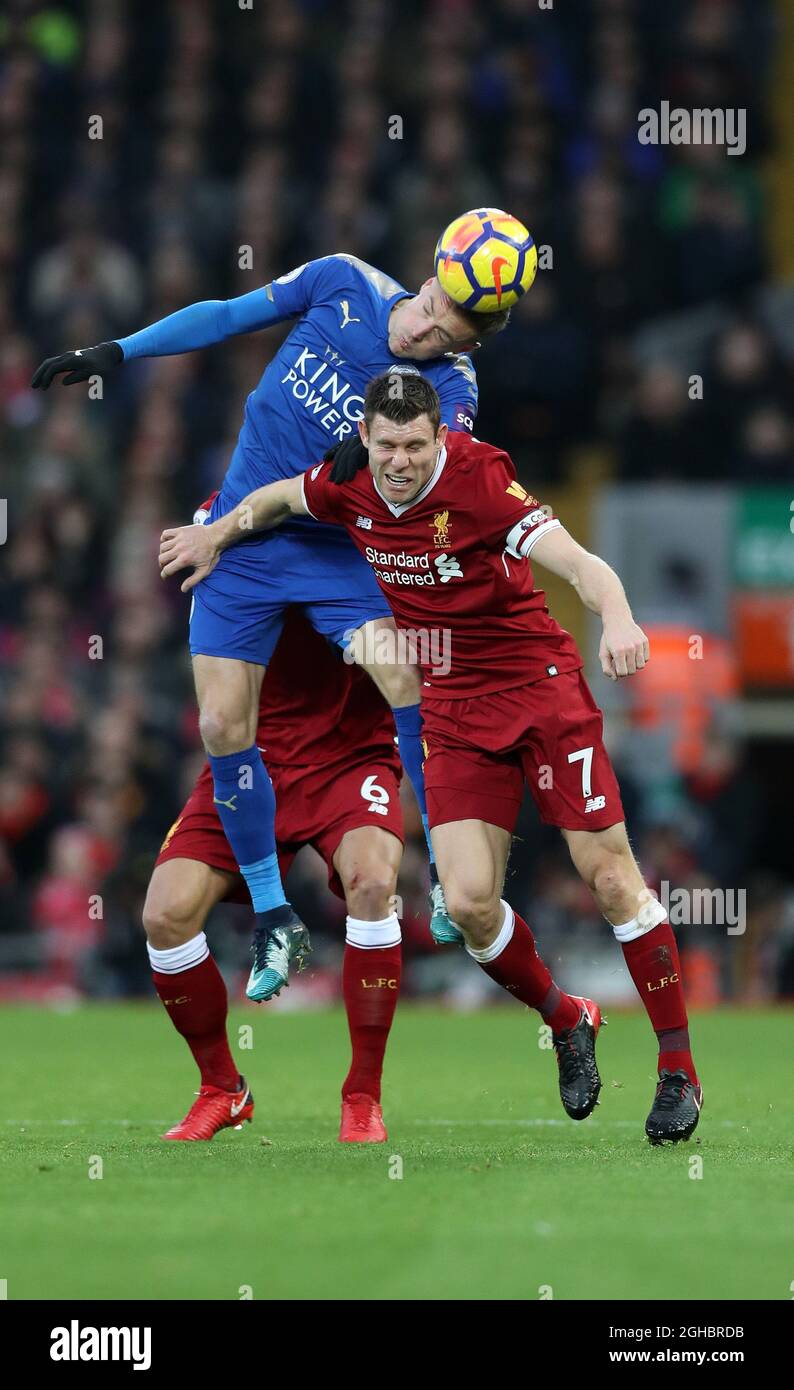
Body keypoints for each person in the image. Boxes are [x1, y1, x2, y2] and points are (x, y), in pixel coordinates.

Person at [159, 372, 703, 1144]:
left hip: (537, 687)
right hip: (450, 709)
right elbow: (277, 499)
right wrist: (216, 533)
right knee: (471, 907)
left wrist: (616, 617)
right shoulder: (348, 481)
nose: (402, 461)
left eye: (417, 445)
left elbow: (579, 563)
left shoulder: (481, 477)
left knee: (611, 876)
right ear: (368, 437)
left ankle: (677, 1067)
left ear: (440, 437)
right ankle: (567, 1018)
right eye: (388, 445)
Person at [32, 251, 507, 997]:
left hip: (337, 556)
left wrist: (386, 466)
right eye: (437, 308)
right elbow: (224, 315)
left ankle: (447, 874)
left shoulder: (449, 386)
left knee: (405, 675)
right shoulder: (342, 280)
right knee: (223, 725)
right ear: (429, 281)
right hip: (242, 540)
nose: (433, 332)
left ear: (470, 343)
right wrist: (117, 349)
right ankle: (273, 915)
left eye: (455, 332)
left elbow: (434, 473)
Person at [145, 604, 404, 1143]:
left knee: (375, 885)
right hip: (249, 760)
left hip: (351, 759)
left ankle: (363, 1096)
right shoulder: (216, 540)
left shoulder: (365, 529)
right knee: (165, 915)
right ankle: (222, 1088)